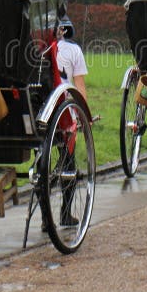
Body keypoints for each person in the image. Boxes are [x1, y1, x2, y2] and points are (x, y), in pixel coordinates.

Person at [47, 17, 88, 230]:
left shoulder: (37, 49)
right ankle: (65, 212)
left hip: (42, 111)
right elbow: (79, 86)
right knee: (68, 163)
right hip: (65, 112)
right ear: (62, 30)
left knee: (43, 164)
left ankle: (46, 218)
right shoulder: (73, 51)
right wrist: (84, 117)